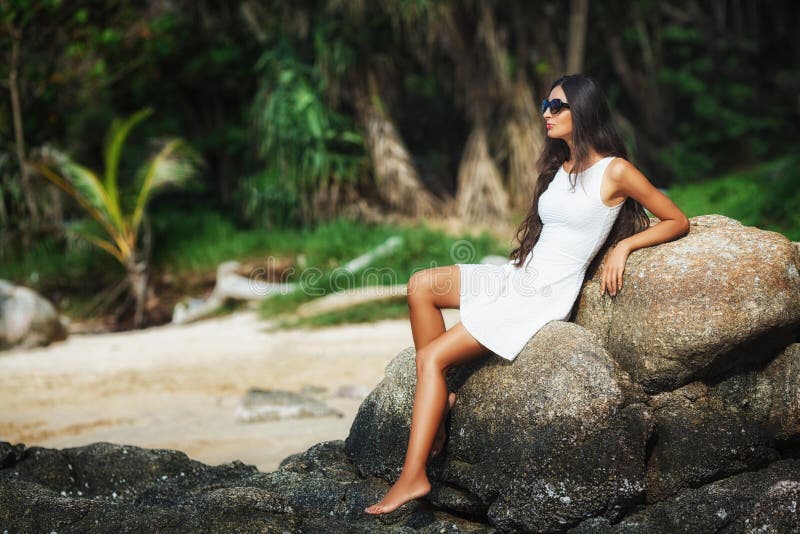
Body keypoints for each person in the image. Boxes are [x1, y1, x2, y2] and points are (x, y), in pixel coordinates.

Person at [364, 73, 690, 515]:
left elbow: (676, 220)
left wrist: (624, 246)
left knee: (431, 358)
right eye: (545, 104)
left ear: (584, 110)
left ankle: (413, 475)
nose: (547, 114)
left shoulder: (614, 170)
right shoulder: (562, 167)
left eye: (558, 106)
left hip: (543, 293)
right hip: (519, 276)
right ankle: (439, 396)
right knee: (421, 285)